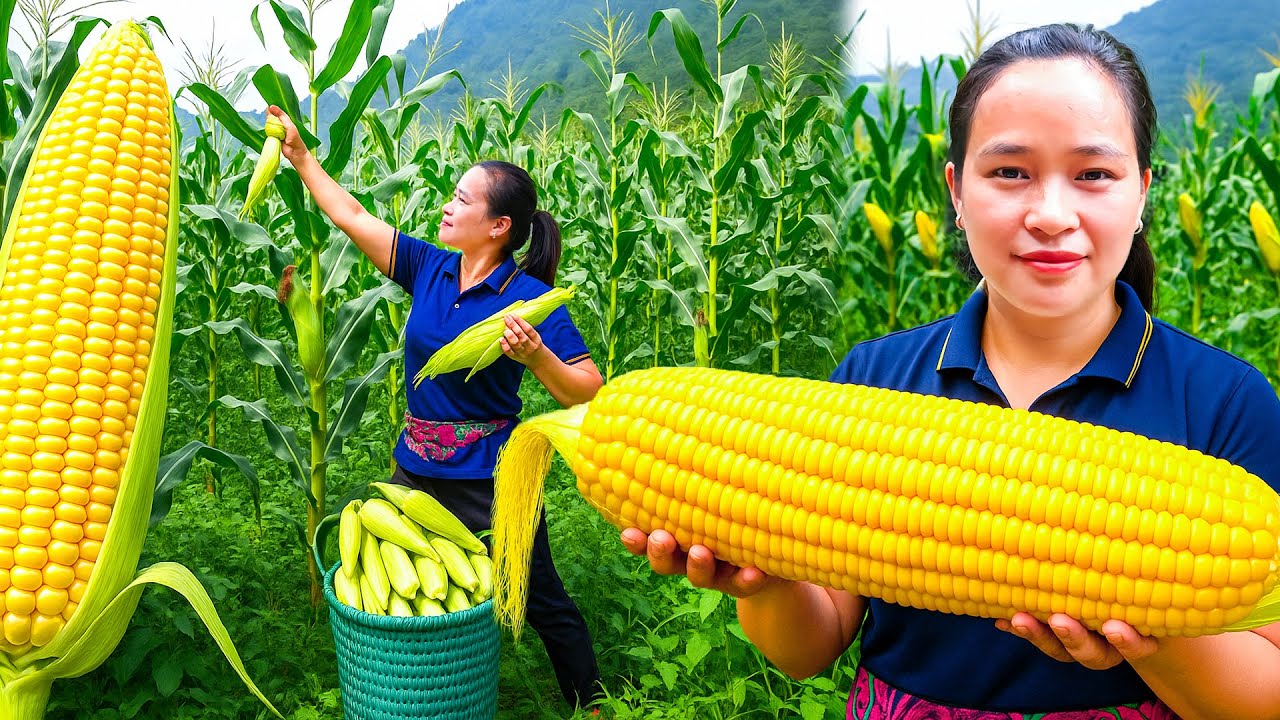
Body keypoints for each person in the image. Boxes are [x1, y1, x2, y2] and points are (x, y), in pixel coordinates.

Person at [619, 24, 1280, 719]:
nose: (1052, 215)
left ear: (1142, 192)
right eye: (1009, 172)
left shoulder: (1227, 401)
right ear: (957, 192)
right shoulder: (873, 377)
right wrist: (762, 582)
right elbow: (810, 648)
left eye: (1093, 174)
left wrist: (1146, 631)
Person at [267, 106, 605, 709]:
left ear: (499, 225)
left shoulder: (531, 299)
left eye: (461, 198)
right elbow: (351, 216)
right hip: (416, 466)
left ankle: (593, 702)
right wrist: (299, 157)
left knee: (536, 594)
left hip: (491, 474)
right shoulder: (429, 266)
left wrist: (537, 359)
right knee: (401, 590)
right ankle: (418, 696)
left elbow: (588, 386)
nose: (447, 206)